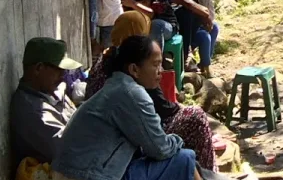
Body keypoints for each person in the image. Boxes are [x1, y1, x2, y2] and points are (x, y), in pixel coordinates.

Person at [51, 35, 253, 180]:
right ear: (134, 69)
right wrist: (178, 141)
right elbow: (161, 149)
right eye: (155, 65)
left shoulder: (118, 87)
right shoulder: (131, 93)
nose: (161, 71)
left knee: (185, 166)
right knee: (184, 160)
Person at [86, 12, 218, 171]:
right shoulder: (133, 67)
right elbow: (162, 112)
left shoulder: (106, 56)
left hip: (115, 134)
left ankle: (201, 175)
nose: (159, 71)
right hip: (125, 138)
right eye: (156, 65)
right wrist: (176, 136)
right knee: (196, 118)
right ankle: (208, 175)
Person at [10, 37, 82, 166]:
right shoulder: (32, 111)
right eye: (59, 71)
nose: (63, 77)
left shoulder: (49, 92)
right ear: (39, 68)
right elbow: (70, 150)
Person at [156, 0, 219, 78]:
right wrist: (205, 15)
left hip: (179, 28)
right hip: (173, 29)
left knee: (214, 27)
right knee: (203, 34)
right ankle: (189, 56)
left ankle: (204, 62)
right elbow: (187, 4)